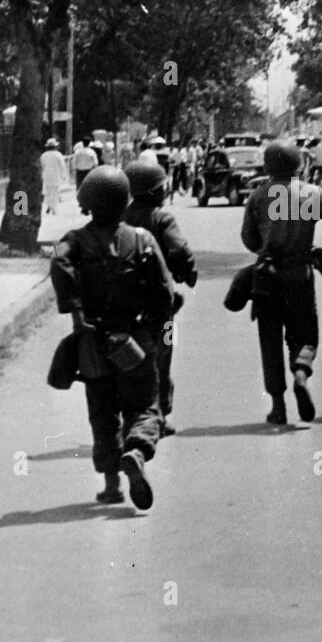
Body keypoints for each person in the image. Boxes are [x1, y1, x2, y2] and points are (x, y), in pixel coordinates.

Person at [51, 166, 174, 508]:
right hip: (134, 338)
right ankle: (136, 450)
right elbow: (165, 291)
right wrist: (156, 324)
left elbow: (59, 262)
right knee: (145, 405)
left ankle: (111, 485)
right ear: (125, 201)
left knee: (102, 412)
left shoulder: (74, 240)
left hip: (93, 341)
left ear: (87, 203)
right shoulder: (141, 239)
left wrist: (76, 311)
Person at [241, 141, 322, 424]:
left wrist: (266, 244)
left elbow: (248, 238)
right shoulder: (311, 193)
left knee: (270, 339)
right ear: (300, 164)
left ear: (268, 166)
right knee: (304, 332)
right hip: (300, 273)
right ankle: (301, 371)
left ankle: (278, 406)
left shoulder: (258, 195)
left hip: (266, 277)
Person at [124, 160, 197, 436]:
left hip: (128, 302)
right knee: (164, 356)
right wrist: (188, 273)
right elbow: (179, 251)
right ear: (154, 191)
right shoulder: (162, 218)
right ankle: (161, 416)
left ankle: (135, 415)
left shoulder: (120, 216)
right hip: (161, 304)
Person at [40, 138, 67, 215]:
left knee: (48, 192)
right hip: (56, 175)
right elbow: (62, 166)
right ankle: (54, 209)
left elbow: (41, 166)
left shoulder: (43, 155)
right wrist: (64, 175)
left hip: (46, 175)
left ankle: (49, 206)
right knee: (55, 192)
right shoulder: (58, 154)